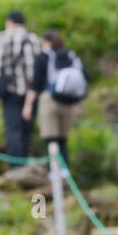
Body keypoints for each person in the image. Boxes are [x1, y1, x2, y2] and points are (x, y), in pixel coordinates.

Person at [0, 11, 37, 164]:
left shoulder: (3, 37)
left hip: (11, 91)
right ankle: (25, 164)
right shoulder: (33, 39)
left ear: (9, 22)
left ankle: (16, 167)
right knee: (27, 131)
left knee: (13, 130)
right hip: (32, 93)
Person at [28, 28, 87, 165]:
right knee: (62, 140)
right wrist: (79, 104)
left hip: (49, 100)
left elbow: (36, 84)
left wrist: (28, 105)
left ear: (46, 42)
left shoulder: (43, 57)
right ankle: (65, 174)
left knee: (50, 140)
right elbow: (84, 77)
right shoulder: (71, 55)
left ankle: (54, 177)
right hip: (70, 102)